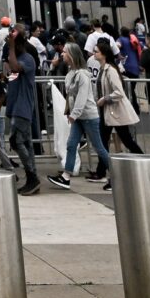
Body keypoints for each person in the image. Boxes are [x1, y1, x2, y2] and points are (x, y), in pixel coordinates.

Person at [54, 41, 110, 189]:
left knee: (99, 147)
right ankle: (66, 176)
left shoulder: (82, 75)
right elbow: (71, 96)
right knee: (71, 145)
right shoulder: (71, 73)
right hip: (78, 116)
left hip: (88, 116)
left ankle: (116, 174)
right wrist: (70, 112)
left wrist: (74, 113)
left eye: (65, 52)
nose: (62, 54)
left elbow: (82, 97)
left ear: (71, 55)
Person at [4, 32, 43, 195]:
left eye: (13, 46)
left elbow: (15, 68)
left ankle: (32, 176)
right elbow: (11, 76)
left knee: (16, 140)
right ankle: (32, 177)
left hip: (23, 107)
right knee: (25, 143)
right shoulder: (17, 59)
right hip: (16, 108)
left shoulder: (27, 59)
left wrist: (12, 48)